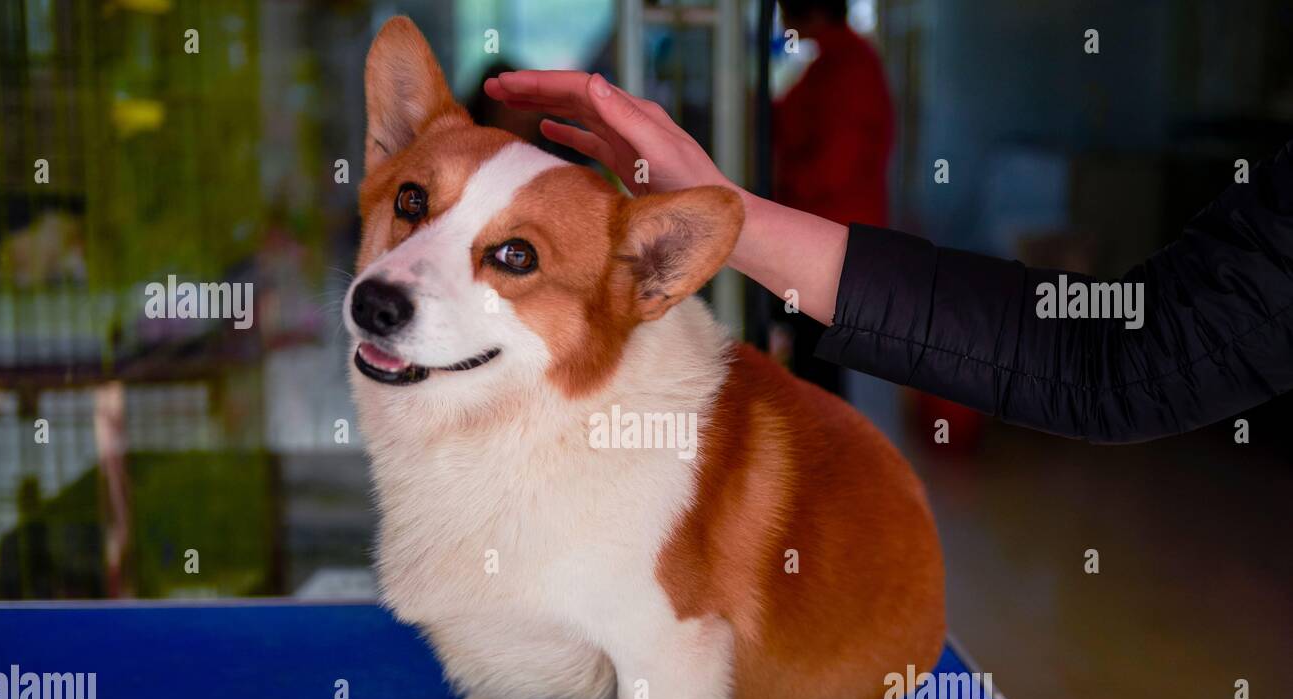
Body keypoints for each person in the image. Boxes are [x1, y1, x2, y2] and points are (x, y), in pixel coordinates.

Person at [485, 71, 1293, 443]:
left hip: (840, 222)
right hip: (829, 252)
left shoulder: (836, 66)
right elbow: (1121, 358)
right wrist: (729, 210)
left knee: (806, 408)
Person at [771, 0, 895, 396]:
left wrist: (778, 195)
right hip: (828, 232)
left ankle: (828, 451)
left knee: (817, 361)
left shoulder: (848, 67)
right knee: (814, 356)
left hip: (833, 237)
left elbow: (834, 165)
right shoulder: (834, 63)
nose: (784, 18)